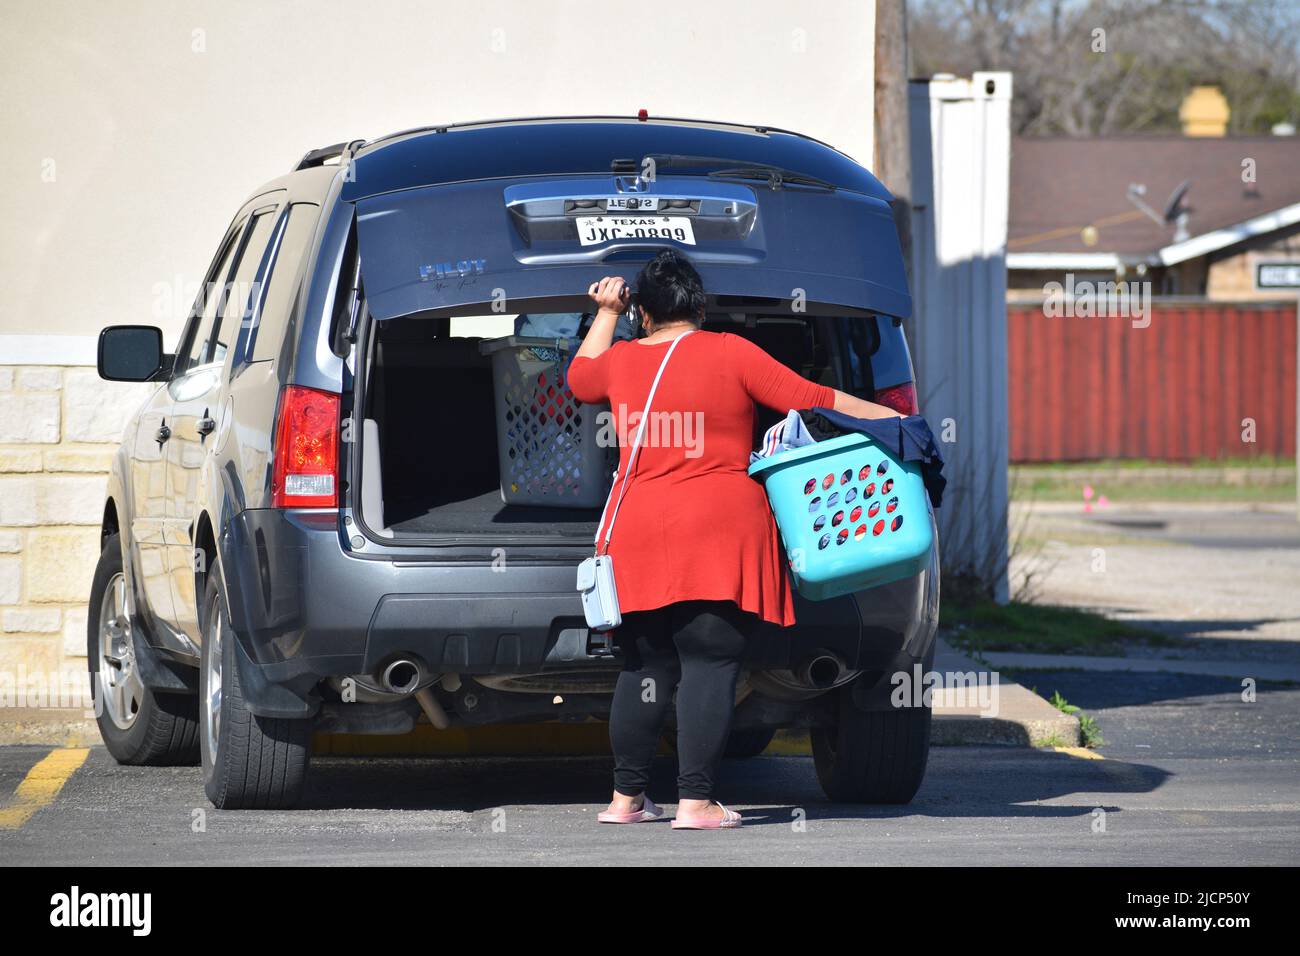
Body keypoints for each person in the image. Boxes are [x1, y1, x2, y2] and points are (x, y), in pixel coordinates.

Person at [567, 249, 901, 830]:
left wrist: (604, 310)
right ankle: (695, 803)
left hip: (639, 531)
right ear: (699, 306)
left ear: (642, 311)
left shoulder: (620, 361)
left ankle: (626, 800)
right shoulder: (730, 352)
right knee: (709, 662)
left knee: (644, 666)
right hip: (721, 531)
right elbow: (814, 400)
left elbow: (578, 379)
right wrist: (892, 422)